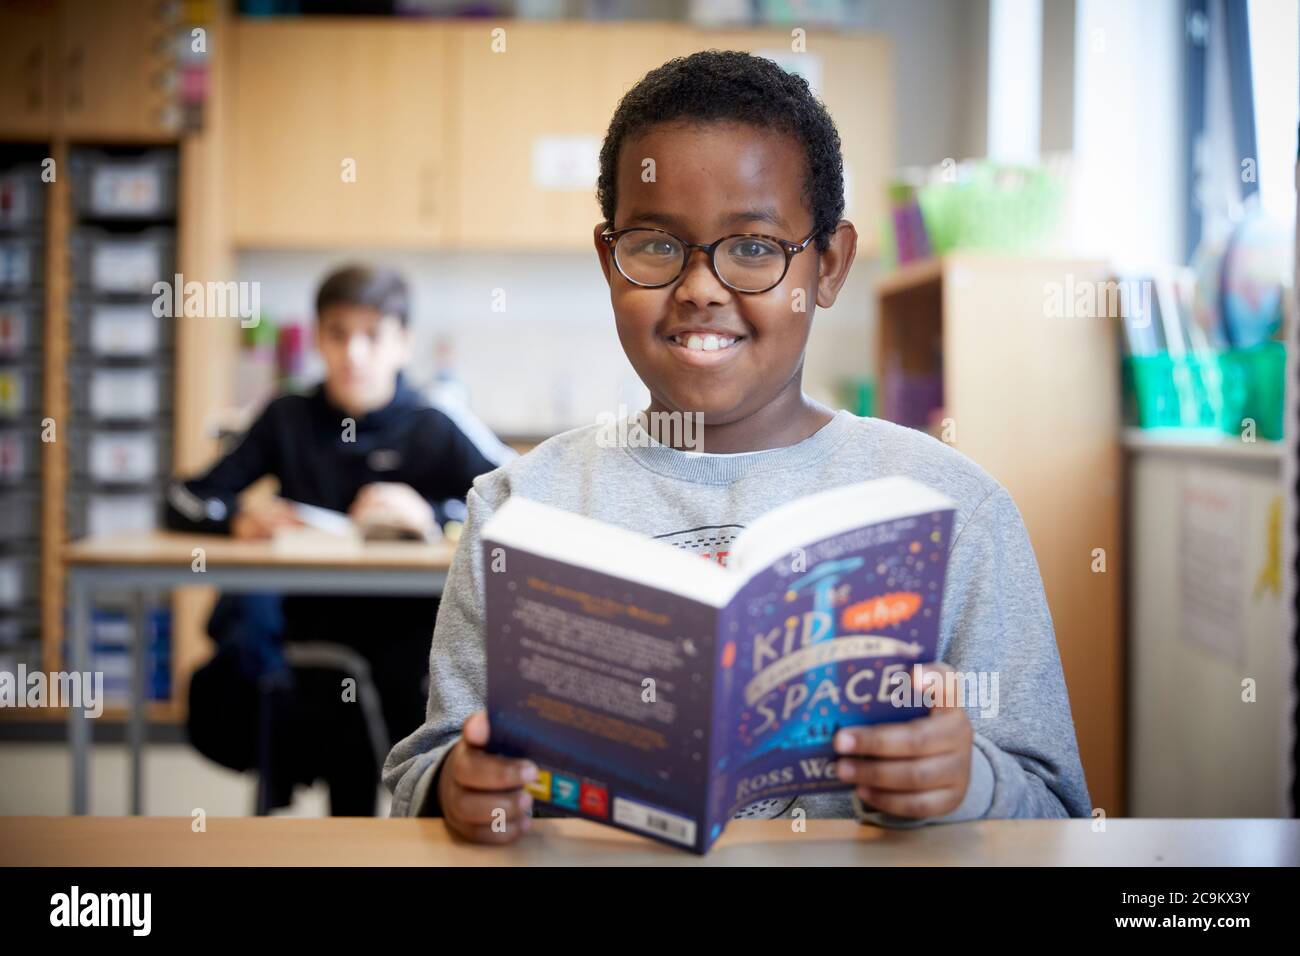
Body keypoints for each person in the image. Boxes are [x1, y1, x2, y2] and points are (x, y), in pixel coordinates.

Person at [384, 51, 1091, 841]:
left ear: (828, 265)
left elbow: (1059, 812)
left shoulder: (957, 510)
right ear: (607, 259)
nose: (700, 287)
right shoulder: (518, 508)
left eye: (754, 247)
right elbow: (425, 771)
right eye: (655, 244)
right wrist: (460, 785)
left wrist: (966, 781)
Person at [168, 264, 511, 814]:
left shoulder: (435, 421)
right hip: (305, 623)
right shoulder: (286, 418)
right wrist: (235, 519)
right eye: (337, 334)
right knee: (256, 653)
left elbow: (523, 503)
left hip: (409, 631)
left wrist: (433, 514)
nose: (354, 353)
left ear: (403, 343)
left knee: (384, 687)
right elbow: (184, 498)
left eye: (372, 335)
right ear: (319, 339)